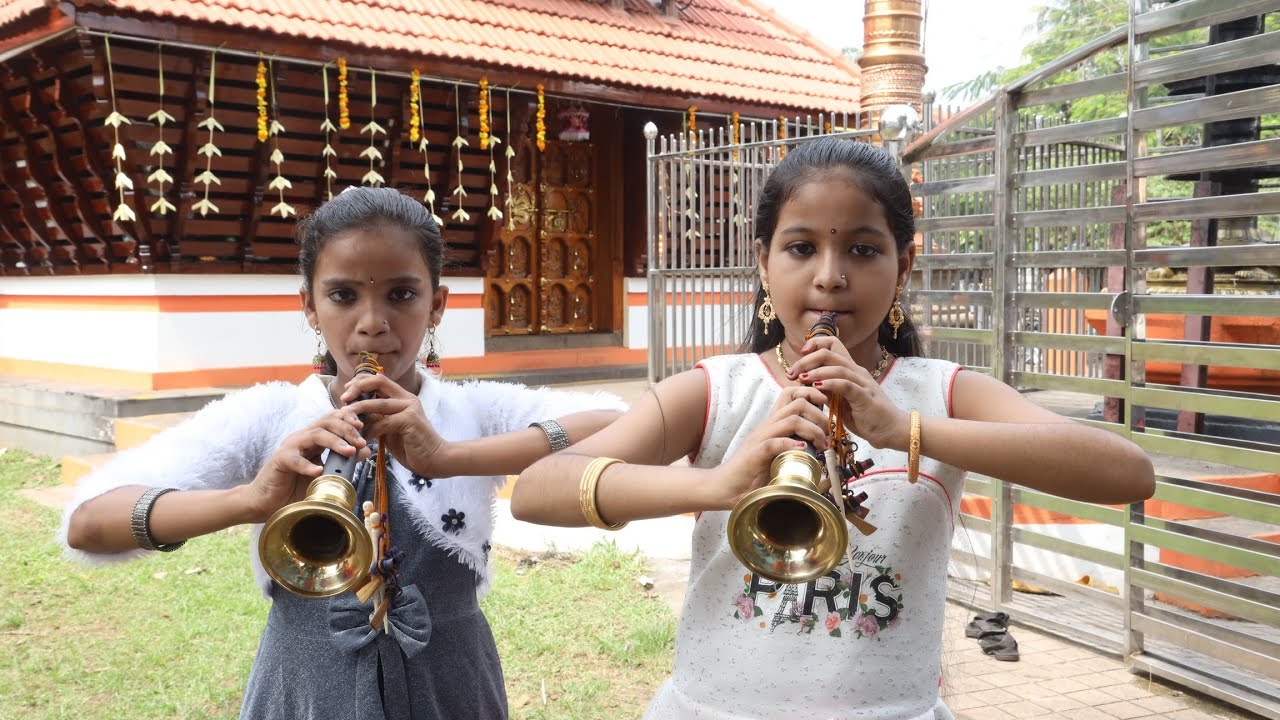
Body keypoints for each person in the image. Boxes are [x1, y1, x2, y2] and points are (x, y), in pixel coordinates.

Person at [510, 138, 1155, 719]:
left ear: (903, 267)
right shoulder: (717, 391)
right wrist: (719, 488)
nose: (829, 275)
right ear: (764, 263)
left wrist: (905, 429)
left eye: (863, 249)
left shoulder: (940, 393)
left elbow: (1127, 473)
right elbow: (538, 491)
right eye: (800, 247)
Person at [60, 186, 625, 720]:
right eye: (342, 295)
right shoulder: (270, 415)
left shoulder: (471, 411)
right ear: (309, 305)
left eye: (402, 295)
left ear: (438, 306)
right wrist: (250, 499)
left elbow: (619, 422)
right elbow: (88, 524)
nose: (372, 325)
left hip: (452, 684)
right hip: (302, 686)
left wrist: (449, 456)